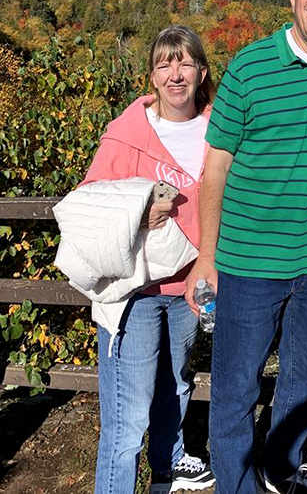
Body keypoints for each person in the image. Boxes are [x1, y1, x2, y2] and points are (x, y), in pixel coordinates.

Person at [185, 0, 307, 494]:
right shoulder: (250, 67)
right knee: (236, 386)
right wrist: (206, 259)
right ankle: (236, 485)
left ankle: (282, 470)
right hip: (248, 259)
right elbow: (215, 168)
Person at [84, 26, 217, 494]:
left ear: (201, 72)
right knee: (126, 418)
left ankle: (168, 468)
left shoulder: (218, 129)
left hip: (189, 288)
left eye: (184, 64)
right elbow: (90, 201)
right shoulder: (129, 133)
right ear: (153, 76)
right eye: (165, 64)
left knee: (177, 386)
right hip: (136, 292)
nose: (175, 74)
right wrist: (141, 208)